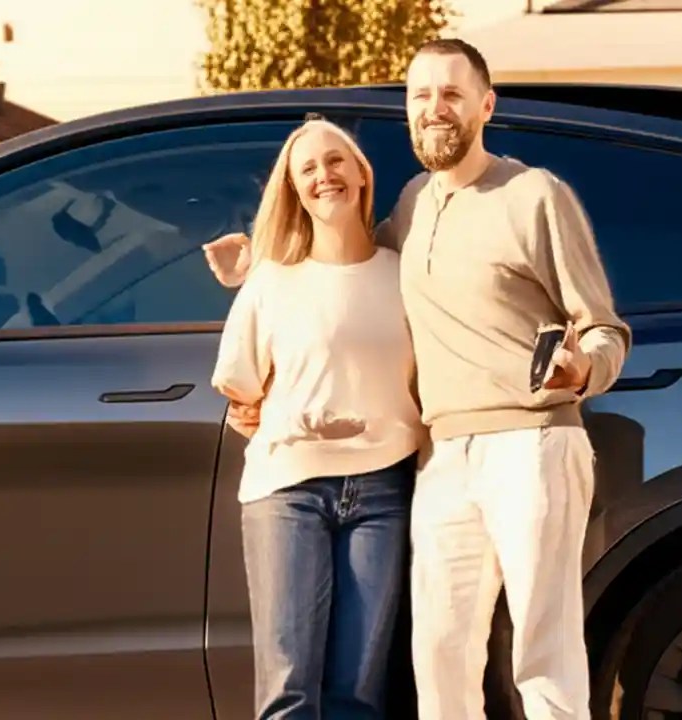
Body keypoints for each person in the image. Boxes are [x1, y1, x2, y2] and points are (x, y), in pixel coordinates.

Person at [204, 39, 632, 720]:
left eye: (452, 94)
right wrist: (261, 262)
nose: (435, 109)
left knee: (542, 652)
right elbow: (340, 264)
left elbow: (603, 325)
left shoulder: (534, 195)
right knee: (438, 659)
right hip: (440, 458)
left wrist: (585, 367)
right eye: (421, 96)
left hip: (532, 443)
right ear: (407, 112)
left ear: (485, 105)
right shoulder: (411, 206)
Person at [209, 115, 425, 720]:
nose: (323, 175)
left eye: (336, 161)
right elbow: (241, 393)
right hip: (288, 492)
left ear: (361, 173)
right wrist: (253, 408)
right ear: (294, 190)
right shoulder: (270, 282)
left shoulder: (403, 274)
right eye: (307, 168)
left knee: (359, 694)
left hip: (384, 489)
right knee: (289, 690)